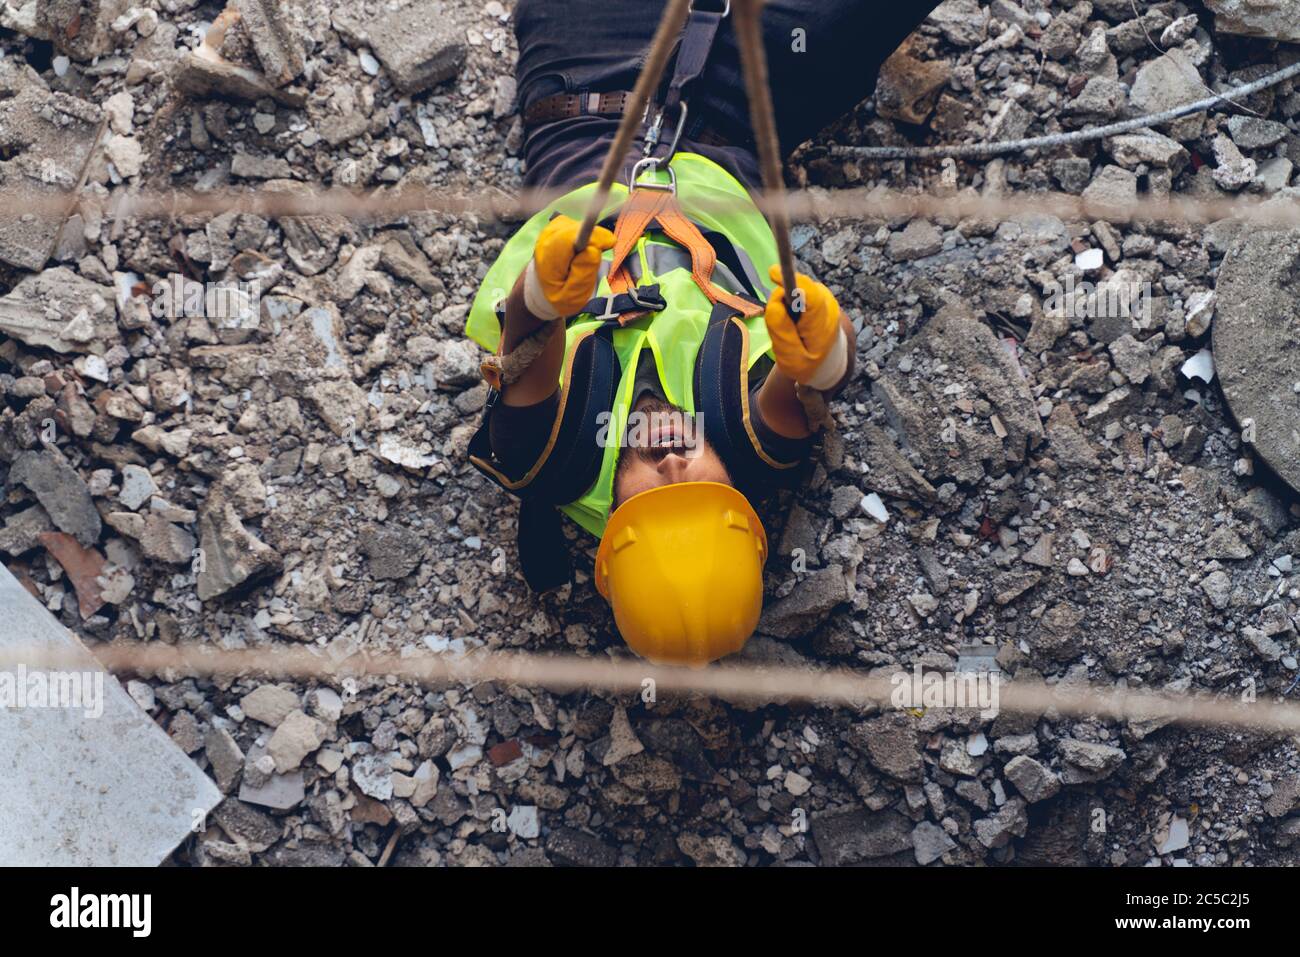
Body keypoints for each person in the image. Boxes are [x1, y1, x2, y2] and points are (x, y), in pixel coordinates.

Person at [465, 1, 945, 665]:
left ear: (612, 531)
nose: (672, 464)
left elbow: (524, 346)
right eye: (697, 485)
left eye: (655, 497)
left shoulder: (553, 453)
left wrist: (545, 294)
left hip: (585, 84)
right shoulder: (748, 444)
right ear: (736, 497)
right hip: (741, 113)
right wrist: (827, 351)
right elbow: (806, 385)